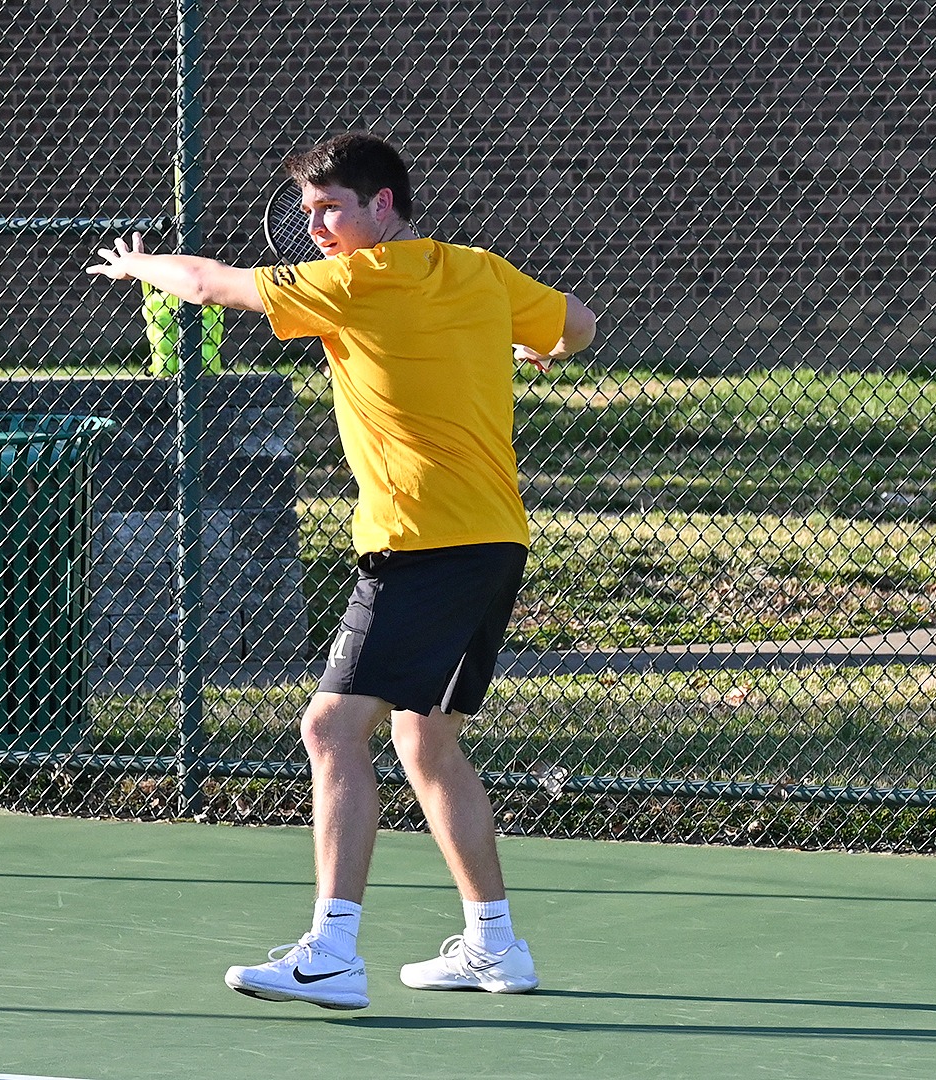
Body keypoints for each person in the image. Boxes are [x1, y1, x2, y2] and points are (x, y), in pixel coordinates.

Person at [86, 131, 597, 1010]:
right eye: (308, 211)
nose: (316, 226)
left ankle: (331, 952)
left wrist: (141, 269)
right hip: (492, 540)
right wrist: (534, 347)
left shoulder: (352, 286)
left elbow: (212, 286)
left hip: (422, 543)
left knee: (330, 730)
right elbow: (582, 327)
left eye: (332, 209)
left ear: (383, 206)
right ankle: (495, 947)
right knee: (421, 738)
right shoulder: (478, 270)